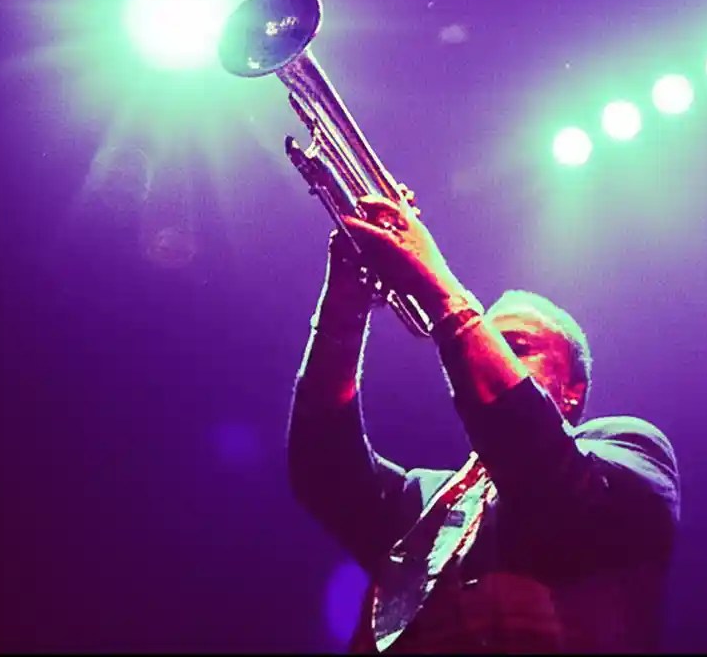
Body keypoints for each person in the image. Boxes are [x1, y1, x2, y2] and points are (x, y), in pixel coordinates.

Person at [287, 190, 681, 653]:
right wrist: (342, 308)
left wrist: (440, 289)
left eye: (514, 345)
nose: (479, 348)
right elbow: (322, 467)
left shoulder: (630, 448)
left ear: (573, 391)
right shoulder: (423, 502)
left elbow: (551, 483)